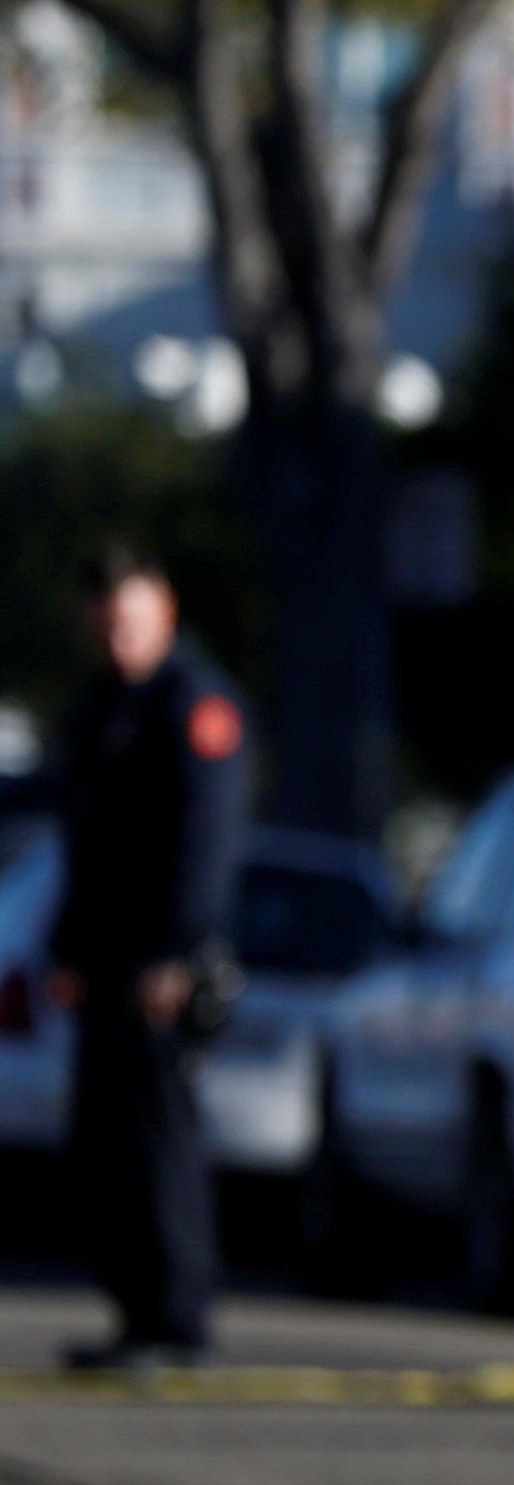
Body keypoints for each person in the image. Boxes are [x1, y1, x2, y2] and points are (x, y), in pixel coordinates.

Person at [48, 541, 249, 1369]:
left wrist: (178, 953)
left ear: (163, 608)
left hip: (162, 967)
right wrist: (67, 946)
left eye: (129, 622)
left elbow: (207, 842)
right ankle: (134, 1315)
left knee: (160, 1140)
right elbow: (82, 840)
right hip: (103, 961)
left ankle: (178, 1320)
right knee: (104, 1145)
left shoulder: (195, 707)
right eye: (104, 626)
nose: (117, 640)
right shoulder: (101, 706)